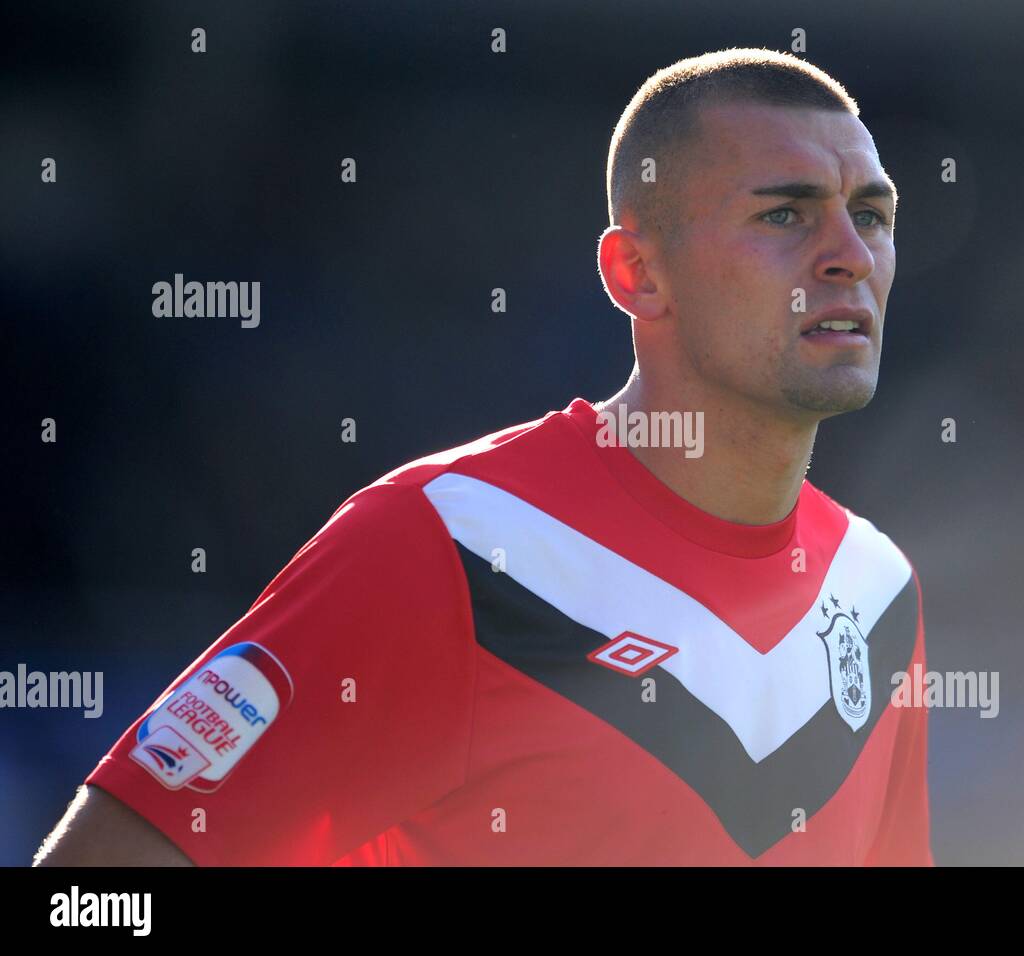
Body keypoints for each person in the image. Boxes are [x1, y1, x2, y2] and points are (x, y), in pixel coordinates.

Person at [35, 47, 932, 866]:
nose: (851, 256)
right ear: (637, 275)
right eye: (784, 213)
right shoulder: (453, 544)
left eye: (872, 216)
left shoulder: (878, 594)